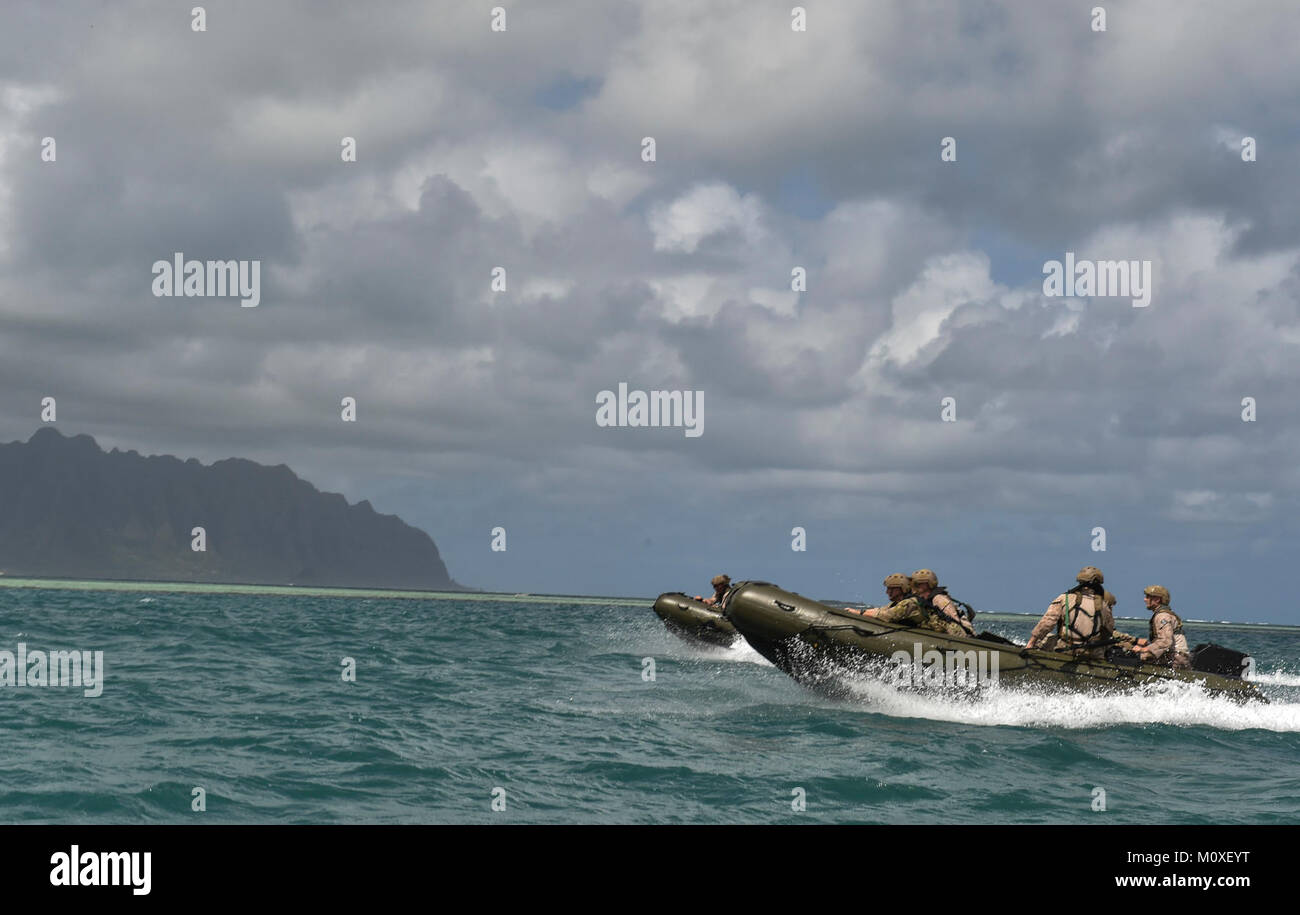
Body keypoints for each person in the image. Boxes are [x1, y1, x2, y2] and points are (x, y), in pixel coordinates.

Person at [1024, 566, 1114, 657]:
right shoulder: (1104, 606)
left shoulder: (1065, 598)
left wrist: (1030, 644)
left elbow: (1047, 623)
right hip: (1091, 654)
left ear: (1080, 581)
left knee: (1048, 639)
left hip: (1065, 649)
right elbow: (1108, 632)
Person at [1132, 585, 1190, 669]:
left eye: (1148, 597)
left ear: (1157, 599)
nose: (1145, 599)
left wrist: (1144, 649)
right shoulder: (1164, 614)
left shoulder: (1162, 616)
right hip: (1175, 656)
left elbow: (1165, 641)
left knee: (1136, 658)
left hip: (1176, 658)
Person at [910, 569, 974, 637]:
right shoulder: (927, 600)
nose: (917, 586)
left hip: (962, 635)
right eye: (916, 584)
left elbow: (954, 621)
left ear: (929, 584)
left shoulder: (938, 599)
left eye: (920, 583)